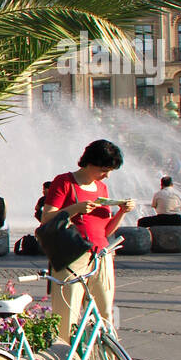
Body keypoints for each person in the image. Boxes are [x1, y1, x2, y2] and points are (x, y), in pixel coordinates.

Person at [39, 139, 136, 349]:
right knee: (67, 316)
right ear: (90, 162)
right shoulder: (65, 182)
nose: (107, 175)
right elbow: (47, 217)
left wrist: (122, 212)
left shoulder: (102, 188)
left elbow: (105, 231)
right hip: (72, 256)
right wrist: (76, 208)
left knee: (105, 314)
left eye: (110, 171)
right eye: (104, 169)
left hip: (102, 255)